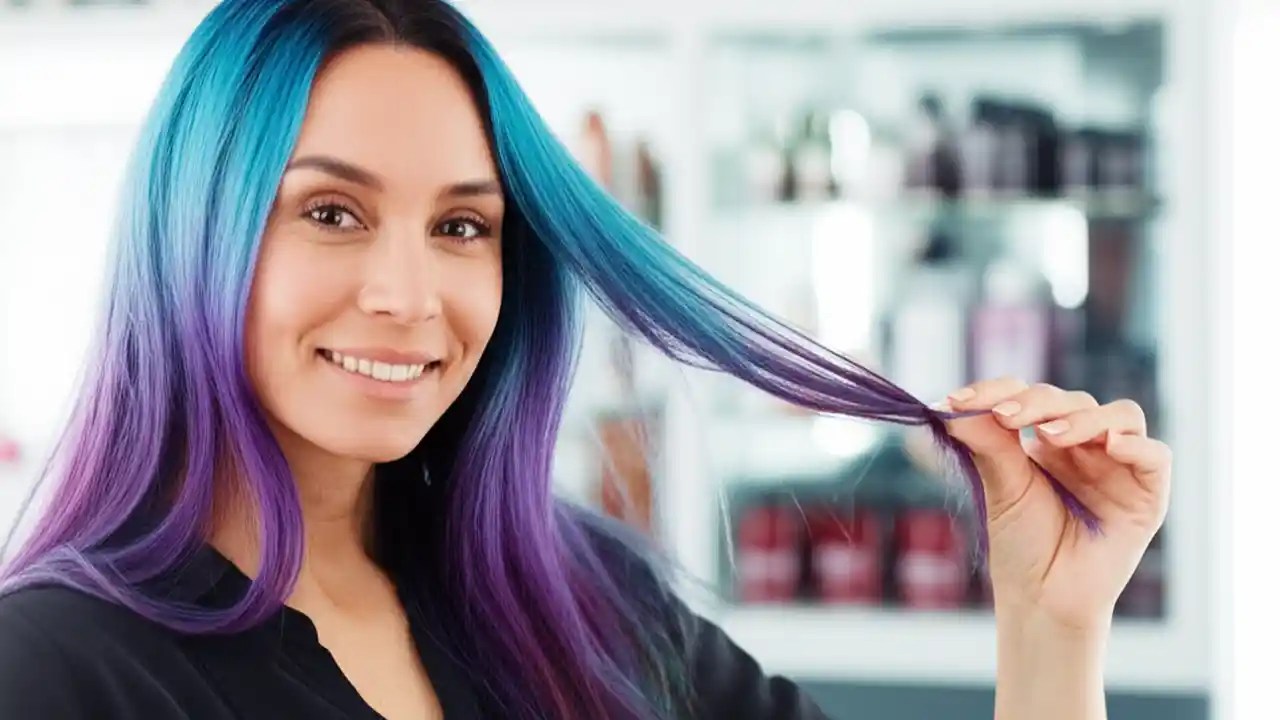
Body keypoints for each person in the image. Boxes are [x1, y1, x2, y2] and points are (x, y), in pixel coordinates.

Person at [0, 1, 1171, 719]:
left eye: (462, 227)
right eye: (330, 214)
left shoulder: (576, 603)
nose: (409, 297)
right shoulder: (54, 674)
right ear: (191, 231)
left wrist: (1049, 626)